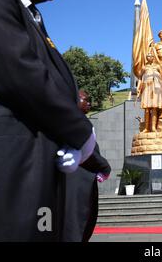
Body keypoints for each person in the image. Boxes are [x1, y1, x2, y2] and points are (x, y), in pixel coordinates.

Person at [0, 0, 97, 241]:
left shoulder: (35, 21)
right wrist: (83, 135)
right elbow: (23, 74)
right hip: (8, 174)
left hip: (41, 173)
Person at [63, 90, 111, 242]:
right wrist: (104, 168)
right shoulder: (74, 123)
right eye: (85, 99)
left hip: (82, 179)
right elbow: (86, 149)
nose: (89, 102)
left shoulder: (77, 121)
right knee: (77, 223)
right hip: (76, 180)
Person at [137, 52, 162, 133]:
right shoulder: (144, 67)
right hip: (146, 88)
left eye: (151, 56)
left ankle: (153, 127)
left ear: (153, 57)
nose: (150, 57)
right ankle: (146, 128)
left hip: (155, 88)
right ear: (146, 58)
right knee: (147, 109)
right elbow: (140, 78)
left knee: (154, 108)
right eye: (148, 56)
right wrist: (138, 88)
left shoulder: (157, 66)